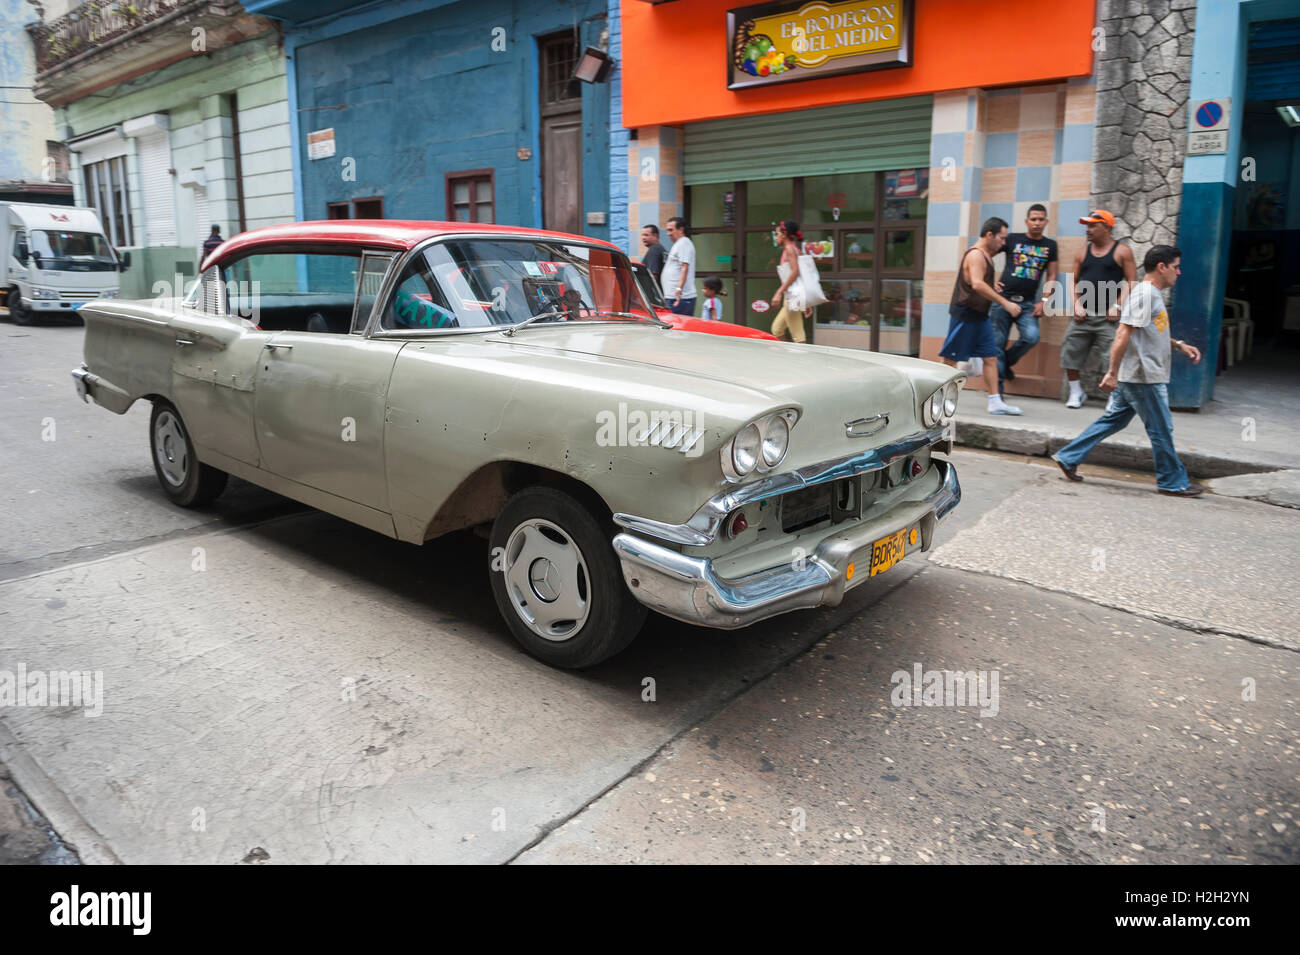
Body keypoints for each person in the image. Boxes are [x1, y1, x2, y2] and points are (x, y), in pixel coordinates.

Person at [1052, 245, 1204, 496]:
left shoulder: (1150, 294)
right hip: (1143, 376)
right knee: (1161, 428)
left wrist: (1178, 345)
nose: (1179, 273)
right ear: (1161, 267)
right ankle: (1172, 481)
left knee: (1112, 421)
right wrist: (1112, 372)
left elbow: (1150, 334)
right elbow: (1123, 332)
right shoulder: (1146, 294)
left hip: (1138, 374)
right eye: (1176, 267)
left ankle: (1068, 456)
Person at [938, 217, 1024, 415]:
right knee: (949, 361)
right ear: (989, 235)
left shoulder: (986, 255)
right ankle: (934, 399)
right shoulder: (976, 255)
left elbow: (977, 282)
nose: (1004, 243)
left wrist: (990, 285)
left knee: (990, 358)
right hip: (966, 315)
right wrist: (1005, 303)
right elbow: (976, 284)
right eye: (1001, 238)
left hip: (980, 316)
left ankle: (995, 401)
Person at [1062, 209, 1137, 408]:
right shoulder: (1083, 252)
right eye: (1087, 225)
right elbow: (1073, 280)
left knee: (1111, 357)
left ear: (1106, 227)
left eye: (1093, 225)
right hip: (1082, 315)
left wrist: (1117, 306)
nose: (1088, 229)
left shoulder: (1122, 251)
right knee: (1070, 352)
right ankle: (1076, 392)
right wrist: (1076, 304)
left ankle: (1113, 396)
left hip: (1108, 317)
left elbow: (1131, 280)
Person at [990, 203, 1057, 392]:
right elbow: (987, 253)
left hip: (1027, 303)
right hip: (1002, 299)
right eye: (1033, 219)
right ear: (1027, 221)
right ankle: (998, 389)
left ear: (1046, 222)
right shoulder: (1012, 239)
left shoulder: (1050, 245)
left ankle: (1006, 363)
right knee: (997, 344)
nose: (1037, 223)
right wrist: (989, 281)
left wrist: (1045, 302)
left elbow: (1052, 275)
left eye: (1041, 219)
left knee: (1031, 337)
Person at [769, 219, 808, 343]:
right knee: (777, 330)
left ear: (784, 234)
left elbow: (795, 272)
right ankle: (788, 357)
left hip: (793, 296)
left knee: (798, 335)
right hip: (792, 296)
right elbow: (803, 275)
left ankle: (803, 360)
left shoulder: (790, 250)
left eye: (777, 234)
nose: (776, 238)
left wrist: (779, 292)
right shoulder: (795, 250)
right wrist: (807, 303)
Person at [661, 216, 697, 315]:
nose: (668, 233)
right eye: (667, 230)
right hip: (676, 297)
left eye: (671, 230)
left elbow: (685, 267)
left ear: (681, 229)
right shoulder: (680, 244)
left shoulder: (684, 243)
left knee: (676, 328)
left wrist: (679, 289)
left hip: (680, 298)